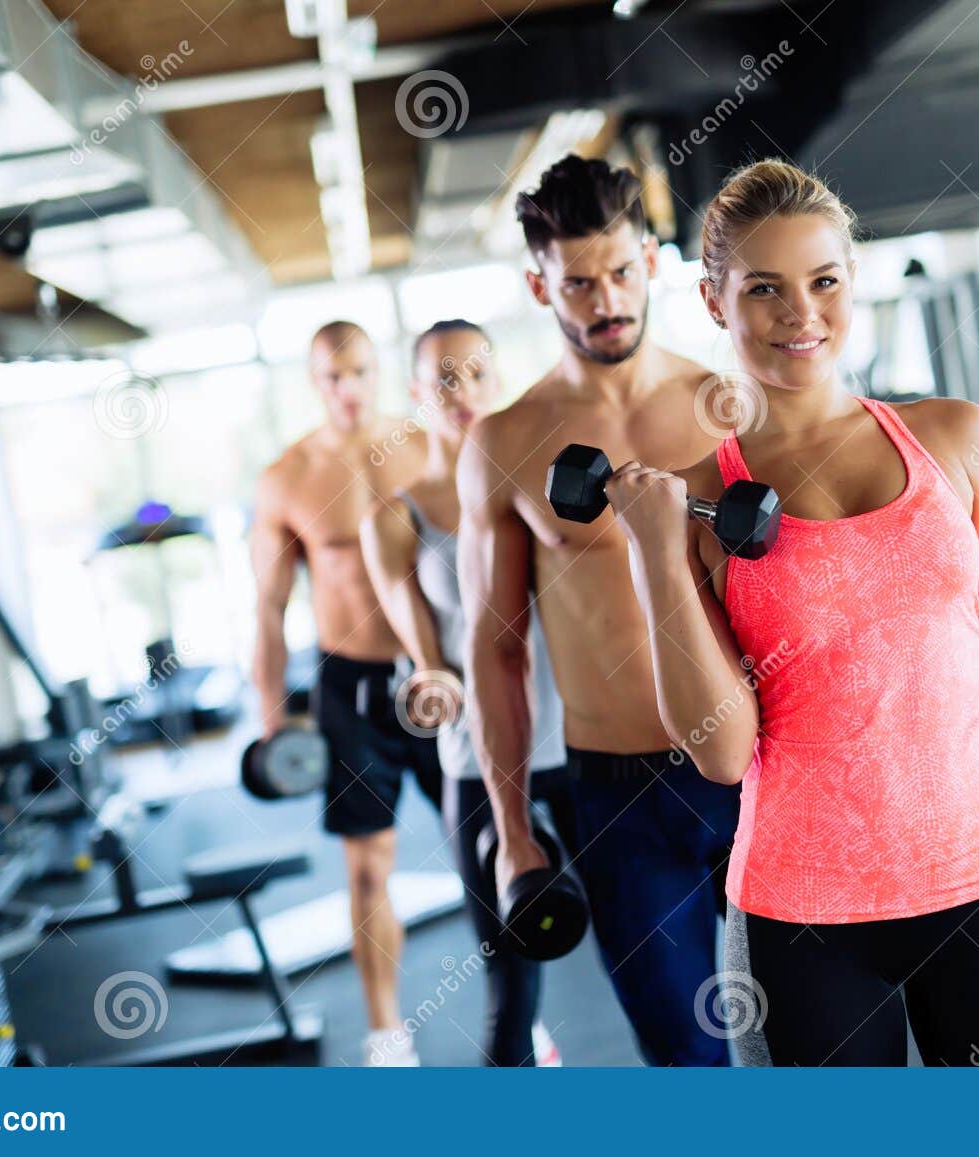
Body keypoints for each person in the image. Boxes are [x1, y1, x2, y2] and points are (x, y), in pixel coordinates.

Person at [601, 159, 979, 1066]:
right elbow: (722, 749)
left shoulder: (958, 438)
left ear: (853, 281)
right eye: (765, 289)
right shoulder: (700, 500)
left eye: (823, 281)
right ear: (713, 301)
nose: (801, 313)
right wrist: (655, 555)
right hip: (804, 916)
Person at [457, 155, 740, 1067]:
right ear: (541, 284)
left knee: (823, 1042)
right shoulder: (505, 441)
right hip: (617, 793)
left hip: (757, 765)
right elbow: (495, 650)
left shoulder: (725, 406)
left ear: (651, 261)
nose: (605, 298)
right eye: (578, 282)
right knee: (683, 1057)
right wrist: (510, 835)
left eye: (620, 271)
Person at [359, 319, 569, 1067]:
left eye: (476, 372)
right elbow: (424, 651)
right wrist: (433, 677)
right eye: (443, 377)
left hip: (583, 752)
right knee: (512, 977)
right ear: (417, 393)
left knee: (646, 954)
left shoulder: (551, 487)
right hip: (481, 765)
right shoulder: (397, 514)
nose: (463, 391)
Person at [250, 320, 444, 1067]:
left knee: (487, 845)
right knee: (368, 864)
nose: (349, 388)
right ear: (313, 381)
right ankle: (387, 1029)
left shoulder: (424, 447)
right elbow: (267, 609)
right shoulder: (287, 477)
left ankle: (515, 1012)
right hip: (351, 684)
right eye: (332, 376)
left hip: (436, 674)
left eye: (360, 370)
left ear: (379, 370)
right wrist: (274, 719)